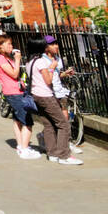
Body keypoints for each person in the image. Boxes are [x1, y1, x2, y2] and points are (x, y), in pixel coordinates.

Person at [29, 37, 82, 165]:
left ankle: (52, 153)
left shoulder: (30, 62)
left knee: (49, 124)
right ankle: (64, 155)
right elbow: (48, 80)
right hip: (46, 96)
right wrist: (52, 68)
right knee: (63, 124)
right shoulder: (41, 62)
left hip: (37, 95)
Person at [0, 34, 40, 159]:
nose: (11, 46)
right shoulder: (0, 59)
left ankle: (21, 145)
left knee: (17, 119)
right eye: (8, 44)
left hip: (16, 91)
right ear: (0, 46)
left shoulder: (6, 58)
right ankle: (24, 149)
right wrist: (18, 60)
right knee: (27, 121)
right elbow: (14, 74)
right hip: (13, 92)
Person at [45, 36, 83, 155]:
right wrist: (51, 68)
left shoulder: (58, 59)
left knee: (65, 118)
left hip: (60, 92)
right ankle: (48, 139)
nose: (56, 46)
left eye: (56, 44)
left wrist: (65, 73)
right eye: (52, 44)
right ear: (46, 47)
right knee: (53, 120)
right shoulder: (43, 60)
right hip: (50, 93)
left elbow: (57, 75)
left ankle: (67, 142)